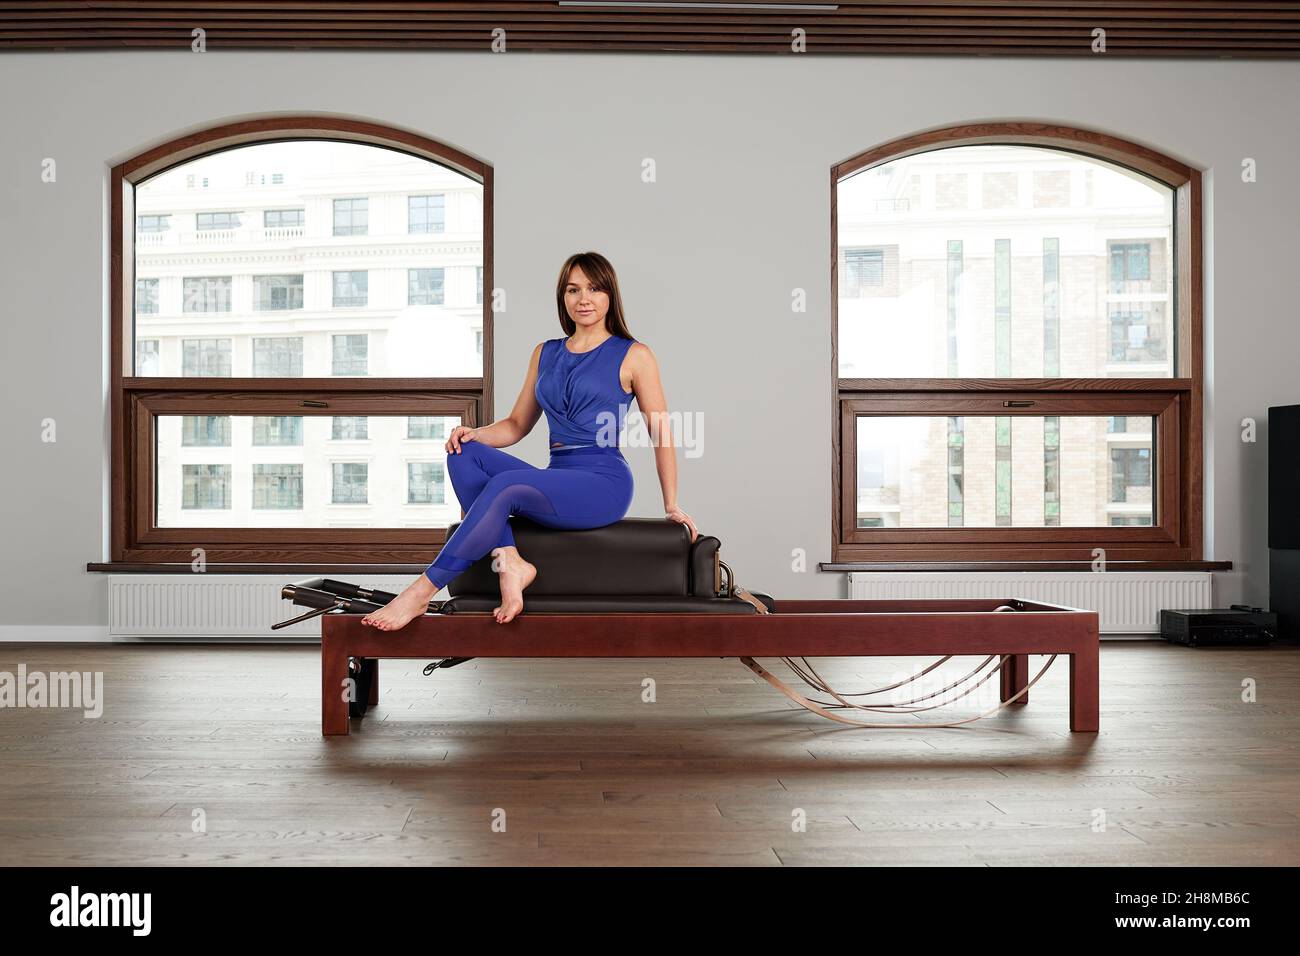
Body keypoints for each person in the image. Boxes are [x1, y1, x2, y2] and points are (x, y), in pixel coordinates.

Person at [361, 251, 697, 629]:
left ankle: (419, 593)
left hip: (603, 484)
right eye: (573, 289)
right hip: (559, 476)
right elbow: (518, 424)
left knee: (506, 484)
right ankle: (511, 562)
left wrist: (672, 503)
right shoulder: (545, 353)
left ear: (610, 296)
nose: (583, 299)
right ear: (562, 297)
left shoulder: (635, 355)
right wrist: (475, 434)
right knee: (463, 453)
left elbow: (661, 431)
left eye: (594, 288)